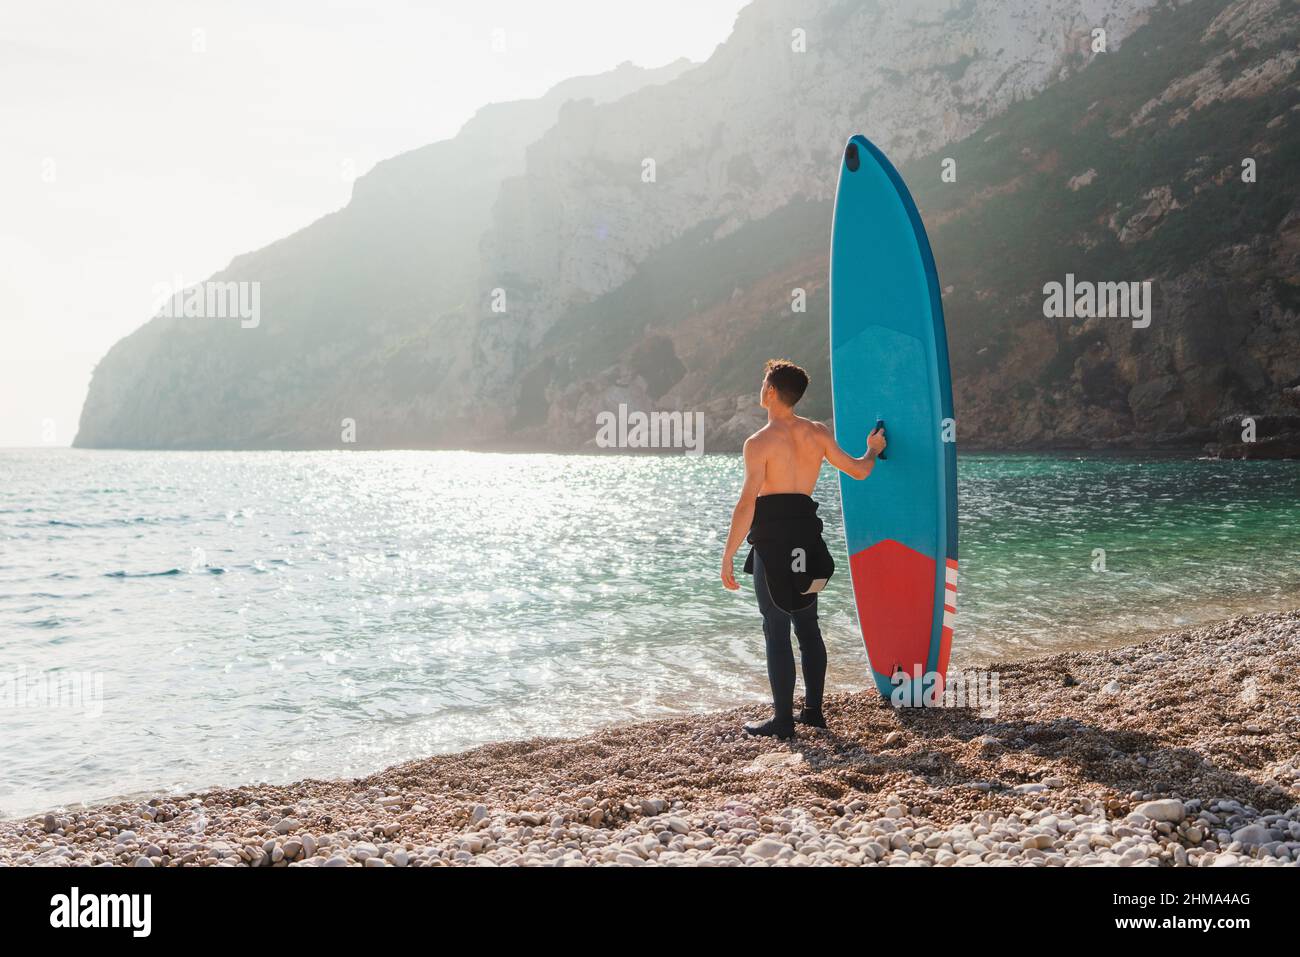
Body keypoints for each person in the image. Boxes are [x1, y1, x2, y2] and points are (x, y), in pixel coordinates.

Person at [720, 359, 886, 738]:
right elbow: (859, 470)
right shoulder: (818, 433)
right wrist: (872, 449)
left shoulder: (758, 442)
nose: (761, 389)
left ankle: (782, 721)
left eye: (764, 383)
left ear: (772, 392)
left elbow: (747, 503)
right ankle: (813, 712)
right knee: (808, 627)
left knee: (775, 628)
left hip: (772, 540)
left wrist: (728, 554)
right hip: (807, 540)